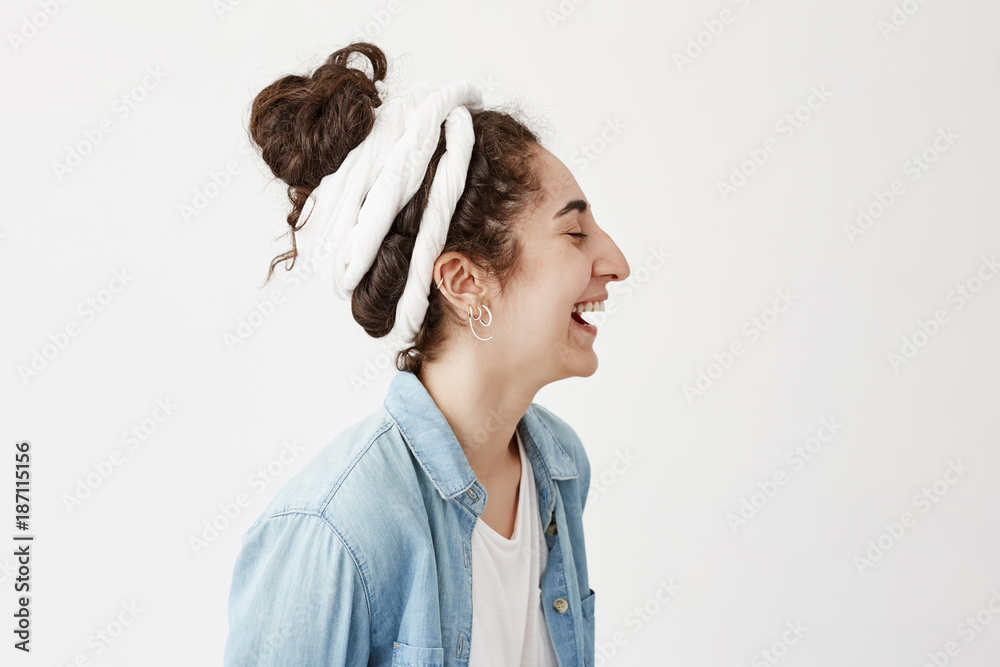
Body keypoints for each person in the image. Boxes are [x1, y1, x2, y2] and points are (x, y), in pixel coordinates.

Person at [223, 41, 630, 666]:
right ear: (464, 282)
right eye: (575, 232)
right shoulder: (335, 530)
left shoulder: (560, 467)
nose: (616, 262)